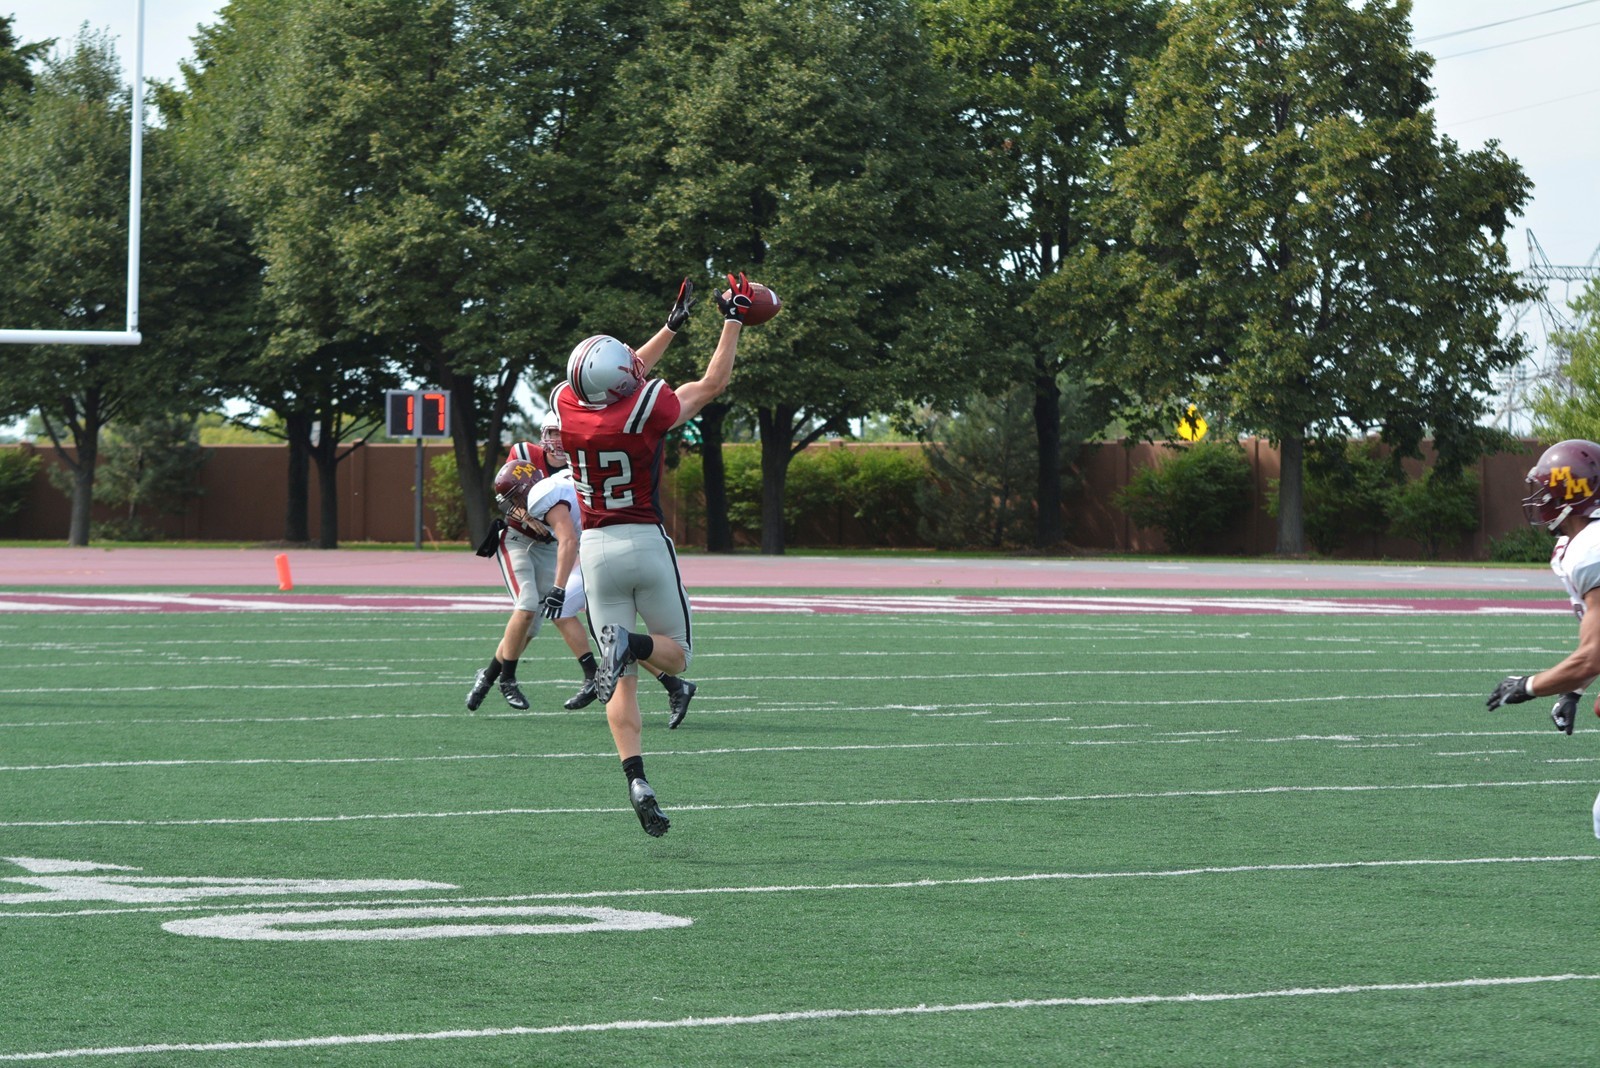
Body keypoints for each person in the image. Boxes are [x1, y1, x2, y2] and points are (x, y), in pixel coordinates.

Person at [552, 273, 749, 836]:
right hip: (643, 539)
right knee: (676, 656)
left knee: (621, 681)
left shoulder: (566, 404)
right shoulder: (645, 408)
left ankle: (636, 777)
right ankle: (631, 643)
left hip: (595, 550)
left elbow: (614, 376)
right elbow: (710, 384)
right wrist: (732, 319)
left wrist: (669, 328)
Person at [466, 415, 697, 726]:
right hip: (531, 541)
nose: (560, 441)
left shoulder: (579, 466)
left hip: (582, 546)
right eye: (554, 433)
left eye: (565, 434)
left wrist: (559, 588)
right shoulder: (529, 460)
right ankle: (507, 676)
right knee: (532, 609)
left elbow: (568, 538)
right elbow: (511, 490)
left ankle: (664, 683)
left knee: (601, 629)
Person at [1485, 438, 1600, 838]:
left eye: (1546, 488)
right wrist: (1574, 693)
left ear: (1572, 492)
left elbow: (1591, 657)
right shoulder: (1579, 545)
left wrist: (1528, 687)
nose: (1538, 498)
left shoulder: (1591, 549)